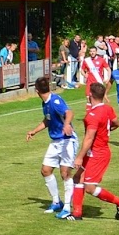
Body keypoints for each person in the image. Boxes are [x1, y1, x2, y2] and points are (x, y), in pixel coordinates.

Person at [68, 81, 119, 222]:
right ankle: (77, 213)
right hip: (96, 152)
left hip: (98, 154)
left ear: (90, 95)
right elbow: (116, 123)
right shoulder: (107, 109)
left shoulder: (92, 115)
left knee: (89, 187)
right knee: (78, 178)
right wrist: (105, 132)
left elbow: (89, 138)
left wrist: (79, 157)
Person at [26, 75, 77, 217]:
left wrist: (67, 125)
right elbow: (48, 120)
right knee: (46, 170)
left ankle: (67, 208)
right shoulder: (45, 103)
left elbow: (69, 112)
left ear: (36, 91)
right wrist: (34, 131)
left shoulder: (55, 101)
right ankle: (56, 202)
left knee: (65, 173)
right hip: (56, 141)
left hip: (67, 140)